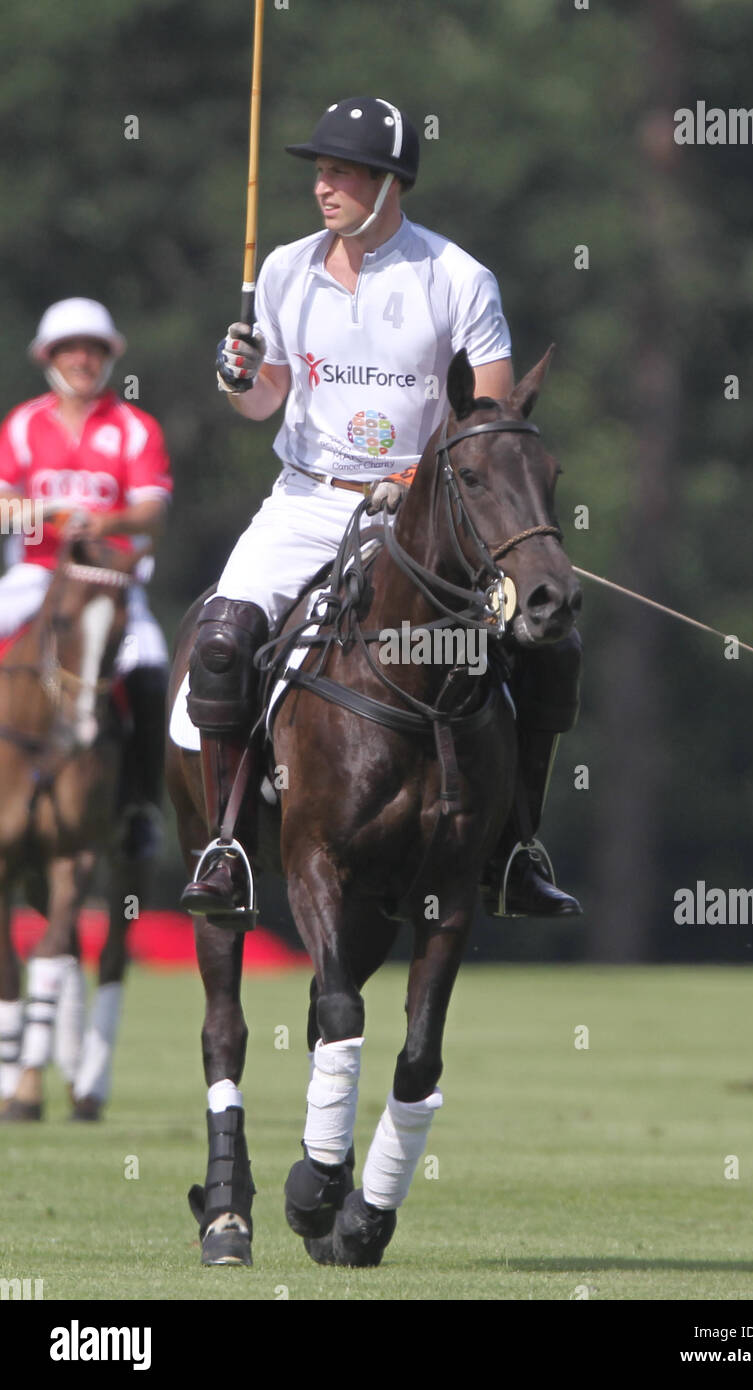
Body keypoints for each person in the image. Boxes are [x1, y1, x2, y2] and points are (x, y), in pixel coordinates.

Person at [181, 96, 581, 921]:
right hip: (305, 500)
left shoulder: (456, 276)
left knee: (550, 646)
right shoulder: (288, 268)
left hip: (423, 516)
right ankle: (225, 844)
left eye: (341, 172)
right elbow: (267, 402)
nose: (323, 186)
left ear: (389, 180)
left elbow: (491, 418)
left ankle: (515, 848)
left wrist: (419, 483)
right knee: (221, 641)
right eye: (319, 171)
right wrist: (238, 377)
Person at [0, 297, 173, 860]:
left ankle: (141, 807)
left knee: (150, 667)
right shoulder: (23, 425)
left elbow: (153, 512)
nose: (82, 359)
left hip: (108, 581)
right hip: (37, 575)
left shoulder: (133, 427)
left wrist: (105, 521)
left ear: (107, 357)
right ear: (49, 357)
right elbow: (2, 507)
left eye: (93, 349)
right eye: (70, 349)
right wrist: (50, 516)